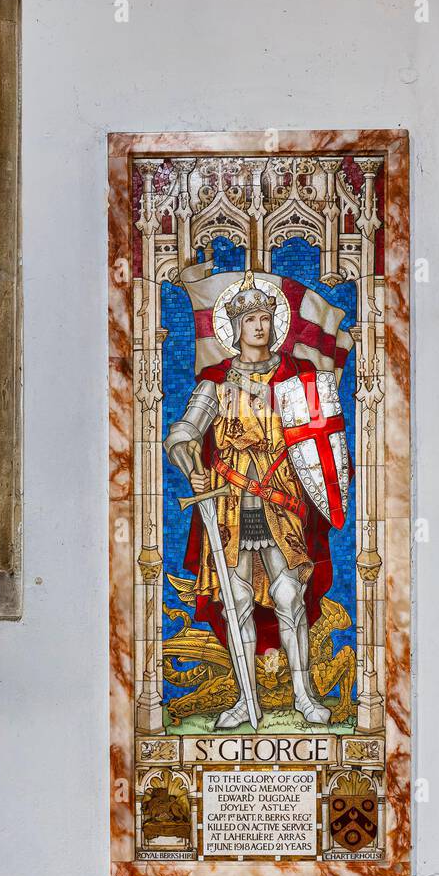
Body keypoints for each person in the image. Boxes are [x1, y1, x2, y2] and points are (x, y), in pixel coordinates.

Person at [165, 272, 335, 728]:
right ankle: (245, 700)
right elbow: (181, 434)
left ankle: (304, 694)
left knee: (289, 596)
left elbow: (319, 442)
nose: (258, 326)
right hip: (230, 504)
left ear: (274, 325)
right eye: (249, 319)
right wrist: (193, 469)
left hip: (282, 503)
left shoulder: (297, 381)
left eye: (265, 318)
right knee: (237, 602)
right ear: (235, 328)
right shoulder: (217, 383)